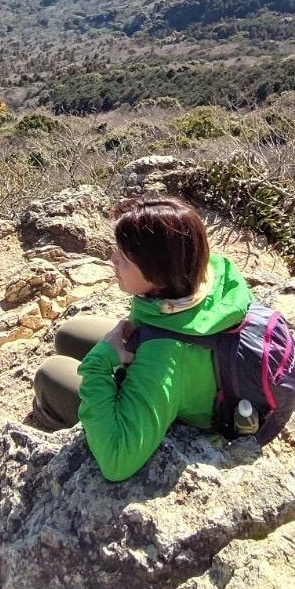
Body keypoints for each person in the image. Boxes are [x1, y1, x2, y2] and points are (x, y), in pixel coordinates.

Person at [32, 196, 252, 481]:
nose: (112, 259)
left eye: (123, 260)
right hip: (196, 358)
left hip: (172, 378)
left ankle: (56, 419)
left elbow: (117, 462)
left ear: (157, 275)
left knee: (49, 377)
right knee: (67, 335)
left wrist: (100, 364)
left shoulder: (163, 358)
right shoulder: (204, 271)